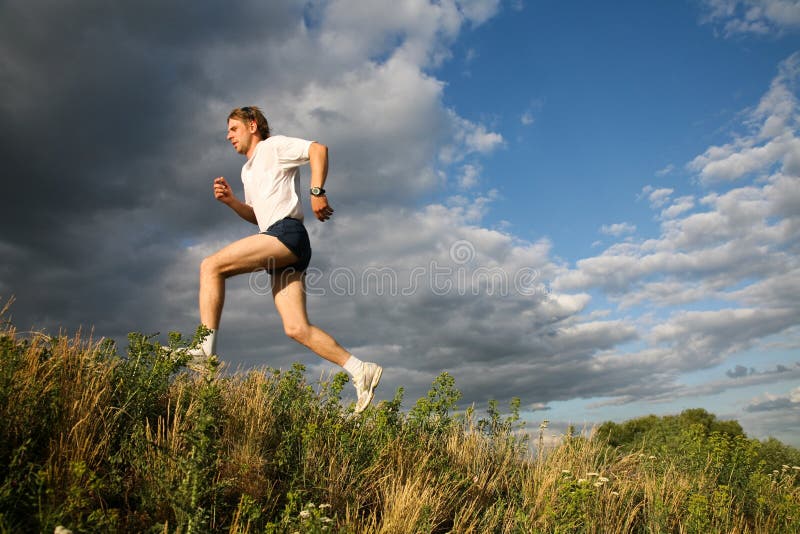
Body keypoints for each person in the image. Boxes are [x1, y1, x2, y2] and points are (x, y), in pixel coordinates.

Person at [184, 105, 382, 413]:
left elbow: (318, 149)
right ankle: (360, 369)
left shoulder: (273, 147)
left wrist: (317, 191)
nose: (228, 136)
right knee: (296, 328)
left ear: (252, 126)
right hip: (278, 240)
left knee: (211, 266)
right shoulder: (246, 171)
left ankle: (204, 349)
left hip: (287, 234)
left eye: (233, 129)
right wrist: (232, 202)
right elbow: (257, 217)